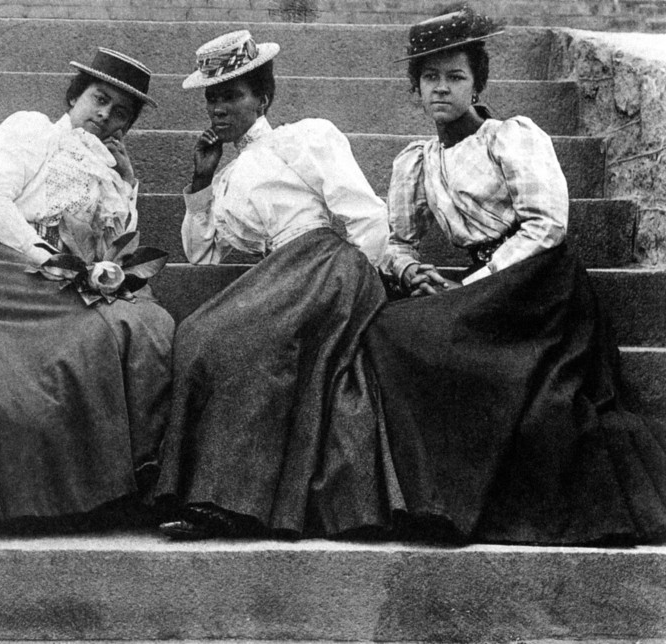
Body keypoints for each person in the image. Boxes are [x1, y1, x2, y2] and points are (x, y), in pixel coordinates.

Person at [366, 4, 666, 544]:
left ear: (477, 81)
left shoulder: (512, 137)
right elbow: (397, 239)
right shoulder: (416, 162)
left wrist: (475, 286)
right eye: (429, 78)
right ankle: (432, 495)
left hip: (537, 282)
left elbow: (546, 225)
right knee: (389, 327)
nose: (441, 89)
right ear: (415, 88)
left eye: (455, 76)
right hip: (479, 285)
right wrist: (413, 271)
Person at [0, 48, 174, 534]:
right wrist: (42, 254)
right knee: (91, 340)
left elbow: (116, 238)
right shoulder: (33, 132)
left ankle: (134, 473)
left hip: (76, 277)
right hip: (13, 270)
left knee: (150, 322)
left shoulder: (109, 165)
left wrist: (126, 183)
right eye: (99, 99)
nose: (105, 114)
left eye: (120, 112)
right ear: (75, 95)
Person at [155, 30, 401, 540]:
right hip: (277, 272)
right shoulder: (224, 178)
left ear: (262, 98)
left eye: (233, 95)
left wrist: (367, 283)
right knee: (201, 334)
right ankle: (207, 493)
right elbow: (203, 254)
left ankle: (234, 502)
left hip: (325, 262)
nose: (219, 108)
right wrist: (201, 183)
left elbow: (366, 212)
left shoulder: (303, 138)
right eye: (213, 97)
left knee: (242, 340)